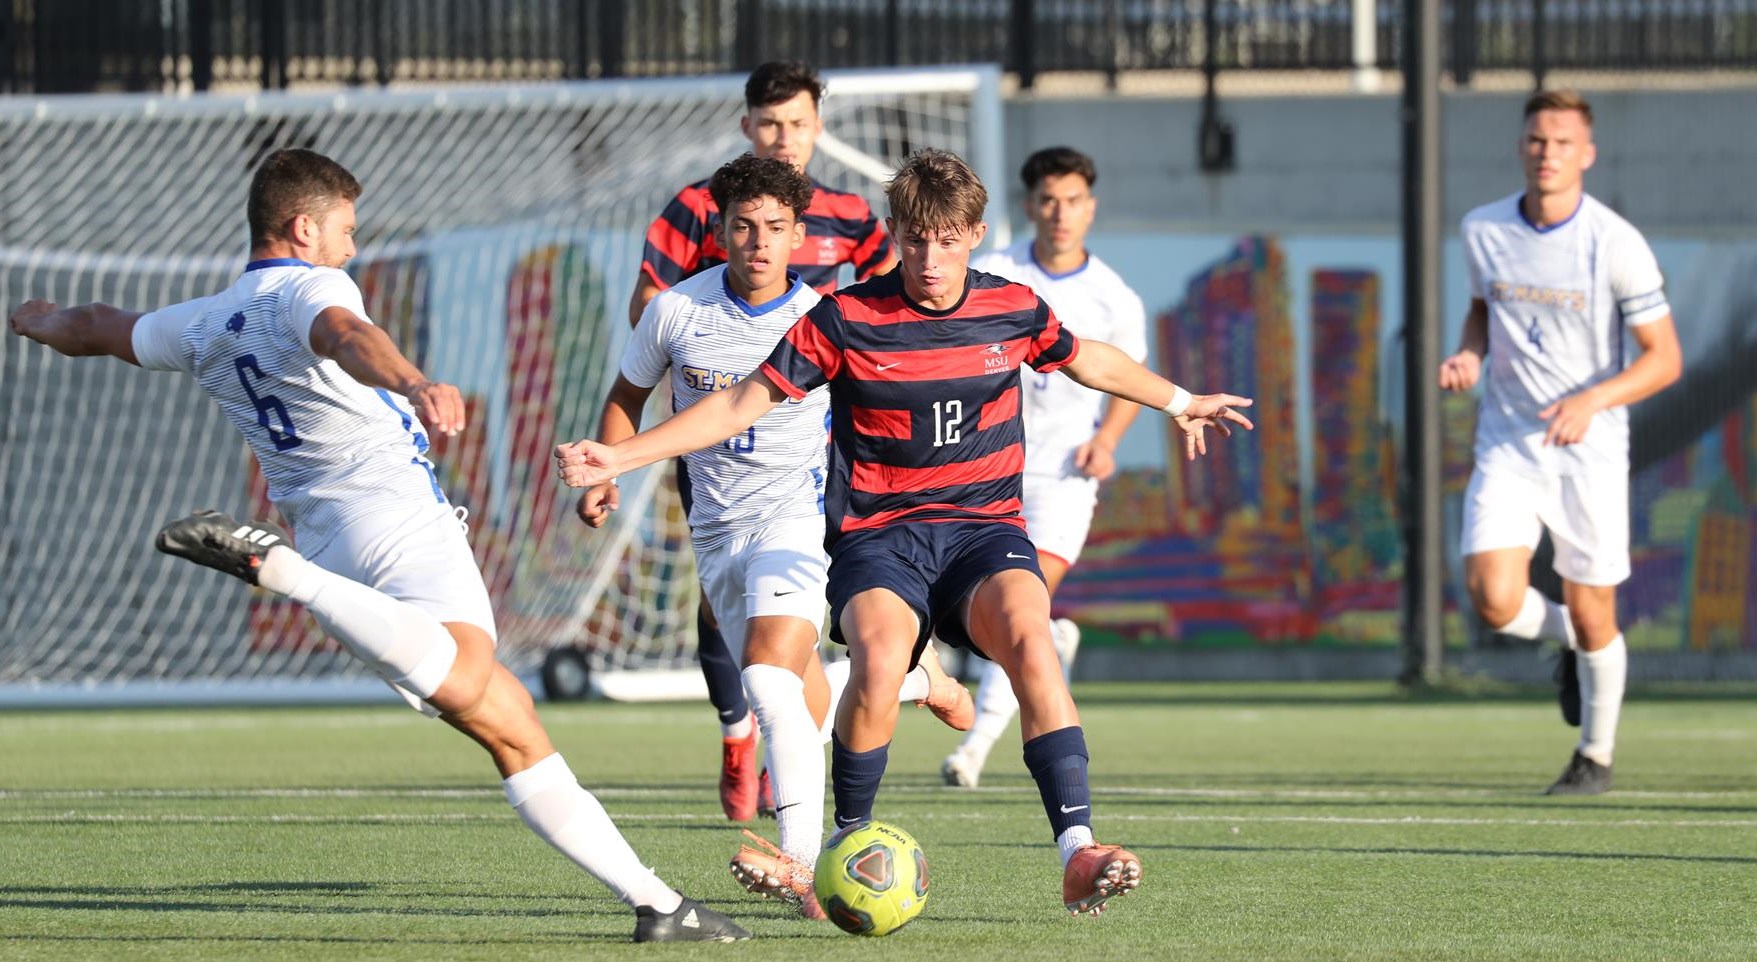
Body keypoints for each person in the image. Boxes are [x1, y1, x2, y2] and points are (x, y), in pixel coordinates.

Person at [7, 148, 749, 943]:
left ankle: (659, 907)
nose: (352, 248)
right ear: (302, 227)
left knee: (506, 718)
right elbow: (346, 333)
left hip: (333, 546)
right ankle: (281, 574)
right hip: (391, 522)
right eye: (345, 230)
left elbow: (100, 327)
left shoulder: (200, 321)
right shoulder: (311, 285)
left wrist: (40, 321)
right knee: (478, 684)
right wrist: (414, 382)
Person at [559, 148, 1255, 915]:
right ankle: (841, 845)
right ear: (894, 232)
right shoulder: (845, 318)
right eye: (916, 238)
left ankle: (1076, 845)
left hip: (982, 529)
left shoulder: (1010, 307)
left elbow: (1086, 359)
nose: (930, 258)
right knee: (881, 658)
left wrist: (1179, 400)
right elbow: (738, 404)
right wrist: (617, 456)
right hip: (879, 535)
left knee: (1031, 632)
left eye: (949, 239)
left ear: (974, 234)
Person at [578, 153, 966, 919]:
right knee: (800, 707)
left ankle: (801, 868)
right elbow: (627, 395)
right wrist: (605, 473)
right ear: (719, 231)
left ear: (798, 237)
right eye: (744, 226)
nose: (759, 241)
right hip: (714, 527)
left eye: (776, 228)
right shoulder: (675, 311)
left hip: (799, 519)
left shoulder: (825, 317)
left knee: (764, 681)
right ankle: (920, 684)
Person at [630, 60, 899, 822]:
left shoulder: (847, 216)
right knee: (728, 610)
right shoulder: (696, 207)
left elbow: (885, 303)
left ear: (819, 128)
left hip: (811, 441)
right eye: (770, 124)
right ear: (747, 125)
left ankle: (802, 815)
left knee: (802, 613)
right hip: (713, 438)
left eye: (798, 124)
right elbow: (649, 306)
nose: (784, 139)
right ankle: (739, 729)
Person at [1439, 89, 1681, 796]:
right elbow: (1483, 311)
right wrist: (1468, 355)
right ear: (1521, 147)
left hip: (1590, 450)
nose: (1547, 154)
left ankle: (1593, 759)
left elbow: (1663, 359)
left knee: (1594, 606)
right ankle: (1574, 646)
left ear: (1587, 154)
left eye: (1562, 143)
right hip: (1508, 440)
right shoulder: (1482, 228)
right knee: (1490, 597)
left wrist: (1590, 399)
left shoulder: (1614, 243)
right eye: (1537, 141)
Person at [941, 146, 1148, 789]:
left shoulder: (1113, 296)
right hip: (982, 470)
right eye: (1049, 200)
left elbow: (1123, 377)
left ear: (1092, 207)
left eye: (1074, 200)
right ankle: (1049, 644)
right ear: (1030, 206)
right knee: (981, 619)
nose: (1061, 213)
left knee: (1019, 610)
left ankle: (971, 752)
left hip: (1062, 476)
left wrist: (1108, 440)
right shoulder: (992, 272)